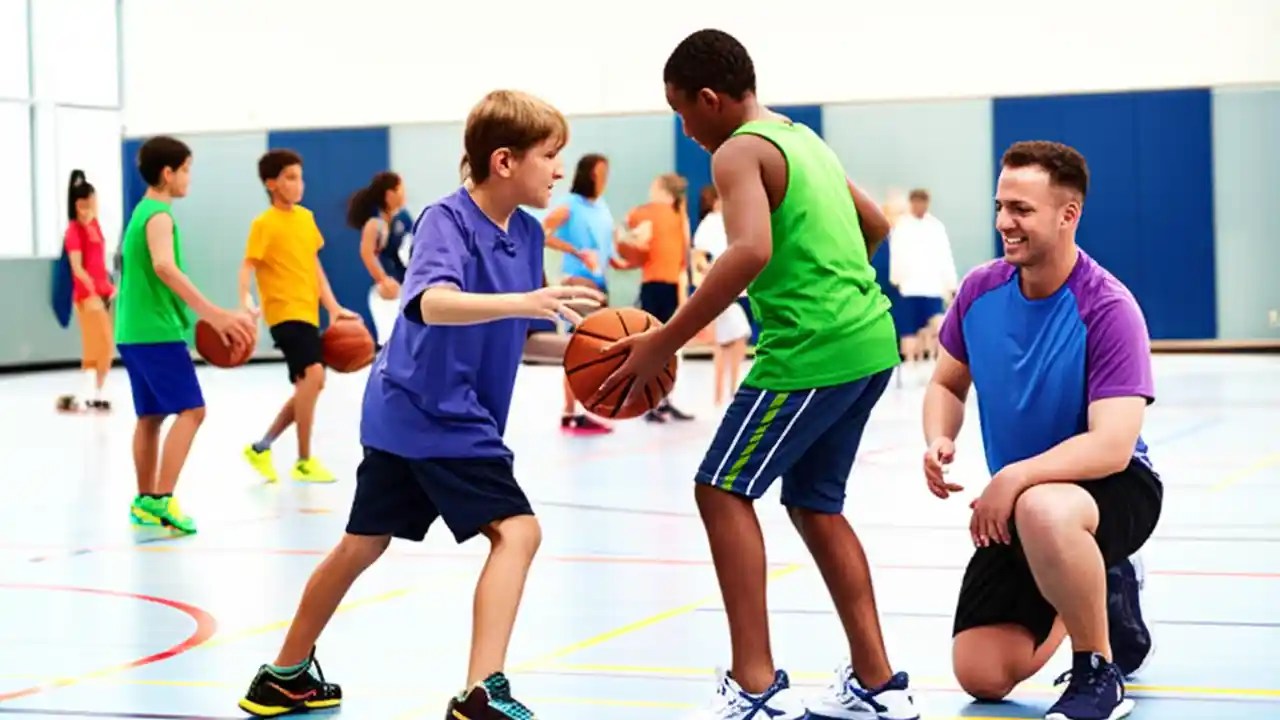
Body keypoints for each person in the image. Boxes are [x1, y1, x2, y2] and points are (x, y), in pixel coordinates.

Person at [235, 89, 604, 720]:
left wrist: (609, 351)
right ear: (505, 161)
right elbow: (430, 301)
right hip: (435, 411)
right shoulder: (447, 219)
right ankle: (481, 692)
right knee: (518, 532)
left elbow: (522, 330)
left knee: (362, 542)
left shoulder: (527, 234)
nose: (559, 170)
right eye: (550, 155)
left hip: (411, 412)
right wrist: (524, 303)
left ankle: (283, 675)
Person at [596, 29, 916, 720]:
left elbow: (745, 252)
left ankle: (755, 685)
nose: (686, 131)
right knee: (815, 504)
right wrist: (828, 272)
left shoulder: (739, 149)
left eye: (683, 113)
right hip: (868, 340)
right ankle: (878, 683)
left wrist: (665, 341)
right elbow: (873, 223)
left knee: (720, 488)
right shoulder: (804, 139)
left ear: (710, 98)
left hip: (813, 350)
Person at [924, 140, 1158, 720]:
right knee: (981, 673)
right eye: (1001, 205)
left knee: (1043, 510)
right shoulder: (980, 291)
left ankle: (1097, 672)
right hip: (1025, 501)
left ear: (1067, 214)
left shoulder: (1107, 308)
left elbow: (1112, 446)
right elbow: (947, 384)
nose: (1005, 221)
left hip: (1112, 488)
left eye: (1021, 209)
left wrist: (1016, 477)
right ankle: (1094, 584)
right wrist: (939, 437)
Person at [114, 136, 257, 533]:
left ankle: (144, 501)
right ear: (168, 172)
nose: (189, 178)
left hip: (132, 330)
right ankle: (162, 500)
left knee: (150, 416)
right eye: (187, 169)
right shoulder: (159, 215)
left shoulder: (142, 212)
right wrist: (214, 315)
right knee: (193, 410)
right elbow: (164, 267)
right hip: (155, 332)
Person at [240, 149, 361, 484]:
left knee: (310, 383)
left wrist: (334, 308)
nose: (299, 184)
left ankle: (262, 447)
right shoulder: (263, 224)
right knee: (314, 375)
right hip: (282, 312)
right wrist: (245, 300)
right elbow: (247, 264)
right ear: (271, 183)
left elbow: (314, 266)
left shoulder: (306, 219)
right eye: (290, 177)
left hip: (308, 311)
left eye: (300, 177)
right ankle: (304, 460)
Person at [541, 153, 623, 434]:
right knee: (583, 349)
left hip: (599, 285)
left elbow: (610, 253)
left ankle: (577, 410)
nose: (604, 178)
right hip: (577, 282)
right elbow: (542, 233)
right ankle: (571, 412)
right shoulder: (570, 206)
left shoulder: (603, 208)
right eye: (600, 173)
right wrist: (576, 251)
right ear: (587, 174)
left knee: (595, 350)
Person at [624, 172, 696, 422]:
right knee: (664, 347)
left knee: (659, 347)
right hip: (669, 286)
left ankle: (661, 400)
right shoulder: (679, 215)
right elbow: (683, 257)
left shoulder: (647, 212)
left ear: (662, 190)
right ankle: (653, 401)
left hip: (656, 286)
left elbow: (633, 234)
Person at [57, 170, 116, 412]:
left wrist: (108, 288)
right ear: (76, 205)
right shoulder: (74, 231)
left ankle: (92, 394)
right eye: (82, 205)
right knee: (103, 342)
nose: (87, 209)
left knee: (98, 348)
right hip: (87, 295)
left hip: (103, 291)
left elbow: (99, 262)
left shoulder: (95, 225)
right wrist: (93, 289)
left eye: (90, 203)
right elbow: (77, 267)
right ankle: (88, 394)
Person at [887, 188, 957, 382]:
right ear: (911, 203)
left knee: (936, 328)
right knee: (909, 330)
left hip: (932, 286)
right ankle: (909, 365)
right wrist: (897, 279)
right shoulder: (902, 226)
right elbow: (896, 255)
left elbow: (945, 256)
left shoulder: (936, 227)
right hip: (909, 287)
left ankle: (934, 364)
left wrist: (950, 285)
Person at [692, 184, 752, 406]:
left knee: (730, 341)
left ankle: (726, 391)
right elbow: (698, 256)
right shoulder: (711, 223)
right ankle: (726, 391)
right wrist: (705, 272)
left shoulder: (728, 222)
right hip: (721, 288)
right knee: (733, 338)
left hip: (728, 287)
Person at [347, 171, 411, 346]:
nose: (405, 194)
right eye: (401, 190)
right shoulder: (374, 224)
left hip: (404, 283)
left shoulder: (403, 219)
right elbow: (366, 253)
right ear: (389, 195)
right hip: (386, 290)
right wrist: (383, 280)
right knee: (392, 341)